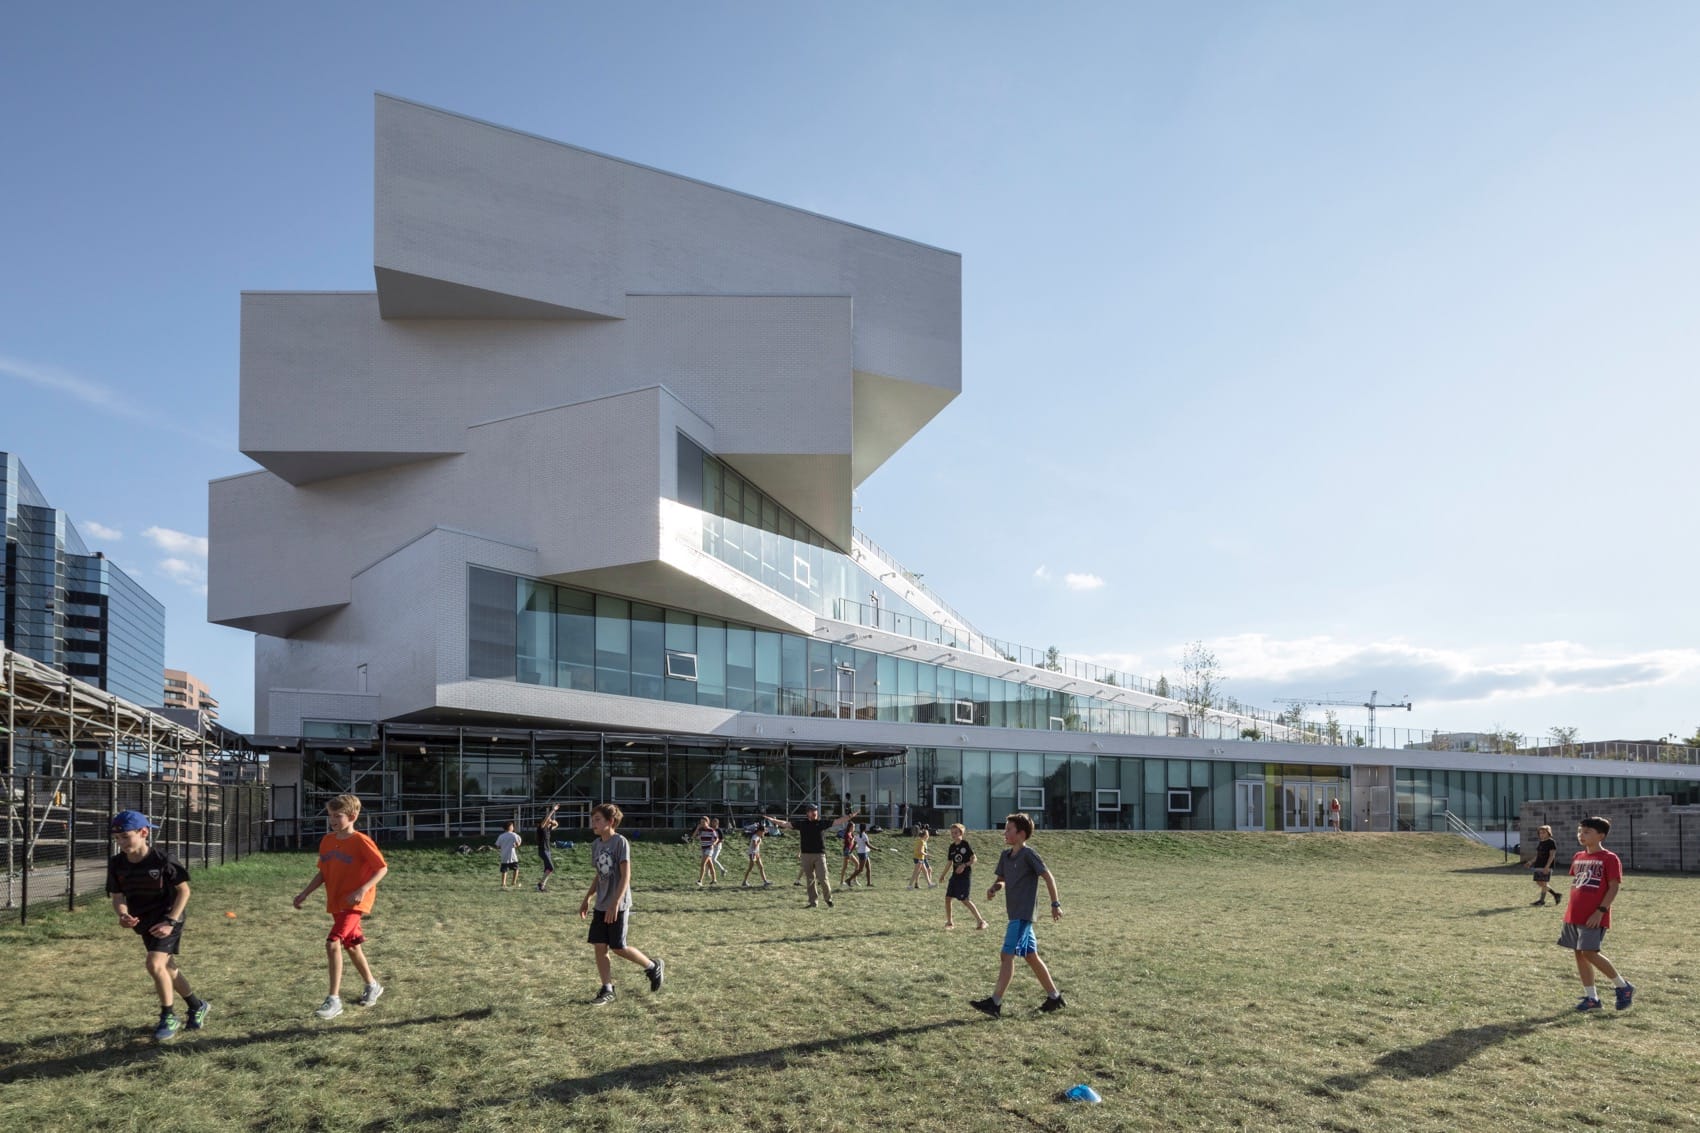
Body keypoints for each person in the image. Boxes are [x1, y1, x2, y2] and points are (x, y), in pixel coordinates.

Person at [106, 810, 211, 1041]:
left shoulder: (163, 860)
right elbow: (117, 897)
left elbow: (184, 891)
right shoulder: (116, 864)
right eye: (117, 839)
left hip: (169, 917)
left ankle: (168, 1016)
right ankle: (196, 1005)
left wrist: (170, 921)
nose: (121, 843)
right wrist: (123, 914)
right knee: (167, 967)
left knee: (154, 964)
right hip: (144, 920)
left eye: (125, 837)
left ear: (143, 833)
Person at [293, 793, 388, 1020]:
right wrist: (305, 893)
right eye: (330, 816)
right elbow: (323, 872)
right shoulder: (327, 841)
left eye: (338, 816)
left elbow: (382, 868)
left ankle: (333, 1000)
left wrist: (362, 890)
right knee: (352, 945)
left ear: (352, 816)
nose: (332, 820)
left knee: (332, 943)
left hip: (355, 903)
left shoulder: (361, 841)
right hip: (337, 902)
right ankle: (372, 985)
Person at [970, 813, 1065, 1017]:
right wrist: (994, 887)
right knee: (1030, 956)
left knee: (1007, 955)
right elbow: (1002, 879)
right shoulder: (1005, 856)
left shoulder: (1029, 855)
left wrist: (1055, 903)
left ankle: (995, 1003)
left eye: (1009, 829)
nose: (1004, 833)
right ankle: (1054, 997)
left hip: (1023, 914)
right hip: (1014, 914)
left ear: (1021, 834)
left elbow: (1048, 877)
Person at [578, 803, 665, 1005]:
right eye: (593, 820)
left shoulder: (620, 842)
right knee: (599, 946)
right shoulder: (596, 845)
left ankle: (652, 966)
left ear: (610, 822)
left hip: (618, 904)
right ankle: (607, 989)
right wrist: (587, 898)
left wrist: (616, 903)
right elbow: (599, 875)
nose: (594, 823)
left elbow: (626, 876)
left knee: (618, 947)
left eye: (598, 819)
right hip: (601, 904)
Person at [1560, 816, 1632, 1011]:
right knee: (1579, 954)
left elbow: (1613, 887)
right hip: (1574, 915)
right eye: (1580, 831)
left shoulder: (1609, 858)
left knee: (1590, 952)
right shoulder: (1578, 857)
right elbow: (1578, 886)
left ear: (1601, 835)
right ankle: (1592, 999)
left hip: (1594, 915)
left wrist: (1600, 911)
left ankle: (1623, 987)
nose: (1581, 835)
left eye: (1587, 832)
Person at [763, 803, 858, 908]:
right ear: (807, 813)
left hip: (819, 855)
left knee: (823, 878)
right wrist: (772, 820)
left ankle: (828, 899)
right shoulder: (802, 824)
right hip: (806, 855)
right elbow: (785, 823)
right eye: (812, 810)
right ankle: (813, 902)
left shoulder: (822, 823)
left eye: (815, 810)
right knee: (810, 879)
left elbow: (838, 821)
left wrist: (850, 816)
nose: (814, 812)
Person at [942, 822, 989, 930]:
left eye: (956, 832)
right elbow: (950, 862)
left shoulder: (965, 844)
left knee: (965, 900)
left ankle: (981, 921)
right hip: (954, 877)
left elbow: (974, 859)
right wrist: (943, 875)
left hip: (964, 877)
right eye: (952, 833)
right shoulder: (952, 847)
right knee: (948, 898)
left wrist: (964, 865)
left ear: (961, 833)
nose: (953, 835)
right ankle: (949, 922)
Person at [1530, 823, 1560, 906]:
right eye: (1540, 833)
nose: (1541, 834)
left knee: (1543, 883)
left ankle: (1541, 901)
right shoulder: (1541, 842)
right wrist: (1530, 862)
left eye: (1543, 832)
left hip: (1546, 866)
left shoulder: (1551, 842)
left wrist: (1547, 866)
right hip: (1538, 865)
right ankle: (1555, 895)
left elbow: (1552, 855)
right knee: (1539, 882)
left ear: (1548, 833)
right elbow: (1538, 855)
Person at [536, 804, 561, 892]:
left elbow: (556, 824)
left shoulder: (548, 829)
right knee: (551, 868)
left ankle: (541, 886)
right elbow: (547, 818)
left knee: (548, 869)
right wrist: (553, 810)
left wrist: (552, 822)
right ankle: (540, 884)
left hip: (548, 851)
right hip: (543, 851)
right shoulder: (541, 828)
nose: (549, 821)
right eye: (548, 820)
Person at [742, 822, 773, 888]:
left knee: (761, 867)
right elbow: (754, 845)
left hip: (756, 853)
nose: (764, 833)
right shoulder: (755, 837)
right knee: (750, 868)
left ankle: (765, 881)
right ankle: (744, 882)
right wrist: (759, 842)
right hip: (753, 854)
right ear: (759, 831)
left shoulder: (758, 836)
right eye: (763, 832)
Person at [845, 822, 874, 888]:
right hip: (863, 854)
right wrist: (876, 849)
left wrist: (850, 851)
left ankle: (869, 883)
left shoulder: (857, 835)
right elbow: (868, 845)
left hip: (864, 853)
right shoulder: (864, 835)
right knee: (861, 869)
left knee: (868, 868)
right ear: (865, 828)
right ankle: (848, 880)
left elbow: (854, 845)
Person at [496, 821, 522, 889]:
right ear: (510, 827)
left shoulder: (501, 836)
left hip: (504, 856)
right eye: (512, 826)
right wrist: (516, 845)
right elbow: (518, 843)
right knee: (516, 869)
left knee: (504, 870)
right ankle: (513, 882)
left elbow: (498, 846)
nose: (513, 827)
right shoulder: (514, 835)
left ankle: (503, 883)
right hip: (513, 856)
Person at [909, 825, 936, 889]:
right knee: (916, 872)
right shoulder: (921, 841)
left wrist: (925, 855)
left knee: (926, 872)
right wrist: (927, 855)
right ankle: (909, 886)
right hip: (919, 858)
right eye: (928, 835)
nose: (928, 836)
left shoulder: (921, 841)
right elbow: (920, 851)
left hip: (920, 858)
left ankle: (930, 884)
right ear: (925, 836)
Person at [694, 816, 719, 887]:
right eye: (701, 822)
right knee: (710, 864)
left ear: (707, 822)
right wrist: (697, 828)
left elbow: (716, 839)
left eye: (703, 822)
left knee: (703, 864)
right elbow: (693, 836)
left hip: (709, 849)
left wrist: (713, 844)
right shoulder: (701, 830)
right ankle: (714, 880)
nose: (702, 823)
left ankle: (700, 881)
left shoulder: (711, 830)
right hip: (703, 849)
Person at [839, 821, 859, 886]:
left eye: (854, 827)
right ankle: (842, 882)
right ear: (850, 827)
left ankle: (854, 880)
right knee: (845, 867)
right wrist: (853, 841)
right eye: (853, 827)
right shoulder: (847, 834)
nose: (854, 828)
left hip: (850, 851)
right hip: (847, 851)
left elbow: (851, 844)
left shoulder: (851, 834)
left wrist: (855, 845)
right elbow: (848, 843)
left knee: (857, 864)